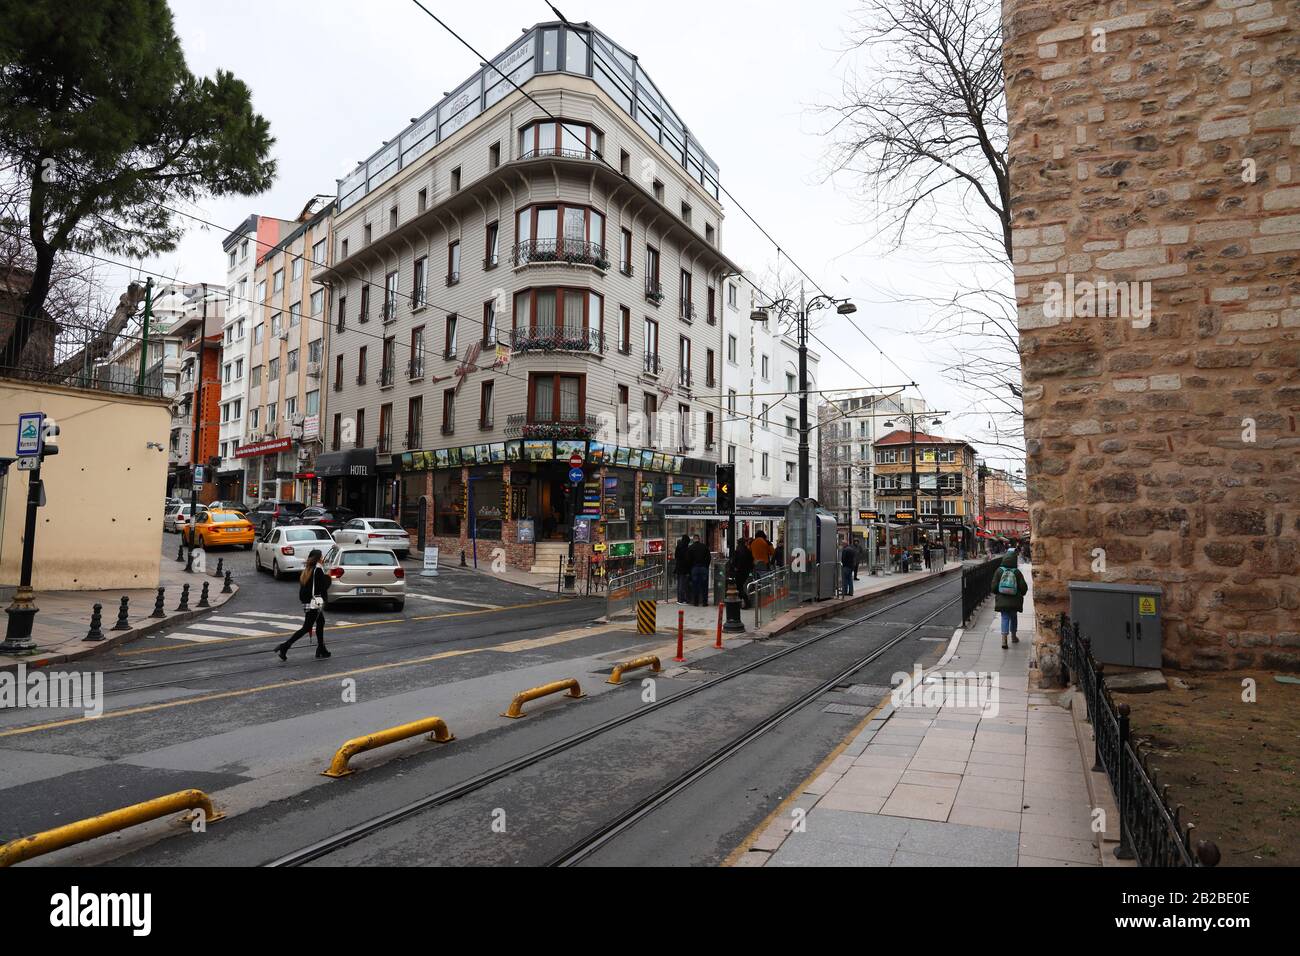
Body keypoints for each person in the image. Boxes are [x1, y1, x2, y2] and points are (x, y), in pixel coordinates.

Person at [276, 549, 331, 661]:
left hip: (308, 602)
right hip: (314, 603)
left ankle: (321, 648)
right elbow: (323, 587)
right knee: (307, 627)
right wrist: (328, 577)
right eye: (321, 556)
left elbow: (305, 588)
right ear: (319, 558)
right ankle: (284, 646)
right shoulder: (318, 570)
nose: (323, 558)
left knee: (320, 622)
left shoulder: (307, 569)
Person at [991, 548, 1029, 649]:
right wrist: (1022, 593)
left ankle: (1004, 640)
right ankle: (1013, 636)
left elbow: (993, 587)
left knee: (1004, 618)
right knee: (1013, 617)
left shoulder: (999, 571)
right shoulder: (1017, 572)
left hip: (1002, 601)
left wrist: (998, 593)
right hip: (1014, 601)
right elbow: (1023, 588)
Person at [687, 533, 712, 607]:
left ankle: (696, 602)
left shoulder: (691, 548)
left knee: (695, 586)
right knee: (704, 586)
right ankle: (704, 602)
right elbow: (708, 557)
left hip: (694, 568)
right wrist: (706, 566)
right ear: (699, 539)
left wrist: (691, 568)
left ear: (693, 539)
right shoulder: (704, 547)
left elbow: (688, 560)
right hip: (703, 568)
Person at [733, 535, 754, 609]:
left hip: (739, 572)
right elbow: (751, 560)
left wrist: (735, 568)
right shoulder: (748, 551)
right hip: (746, 571)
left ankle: (746, 602)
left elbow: (734, 562)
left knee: (739, 587)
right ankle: (743, 602)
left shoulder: (738, 551)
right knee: (742, 586)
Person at [673, 533, 691, 604]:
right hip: (684, 568)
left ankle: (679, 599)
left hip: (678, 567)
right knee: (683, 584)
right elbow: (687, 558)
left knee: (679, 584)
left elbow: (676, 556)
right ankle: (682, 599)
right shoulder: (686, 548)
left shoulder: (678, 546)